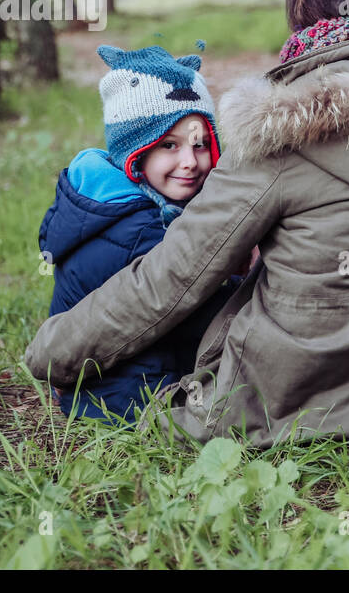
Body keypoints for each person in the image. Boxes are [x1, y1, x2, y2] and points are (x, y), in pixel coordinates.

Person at [26, 0, 349, 447]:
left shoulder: (277, 132)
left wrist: (50, 351)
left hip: (282, 402)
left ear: (306, 16)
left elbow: (171, 279)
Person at [39, 45, 233, 422]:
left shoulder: (128, 199)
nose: (190, 161)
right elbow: (195, 302)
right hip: (123, 396)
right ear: (135, 152)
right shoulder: (139, 230)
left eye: (201, 144)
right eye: (168, 146)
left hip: (123, 371)